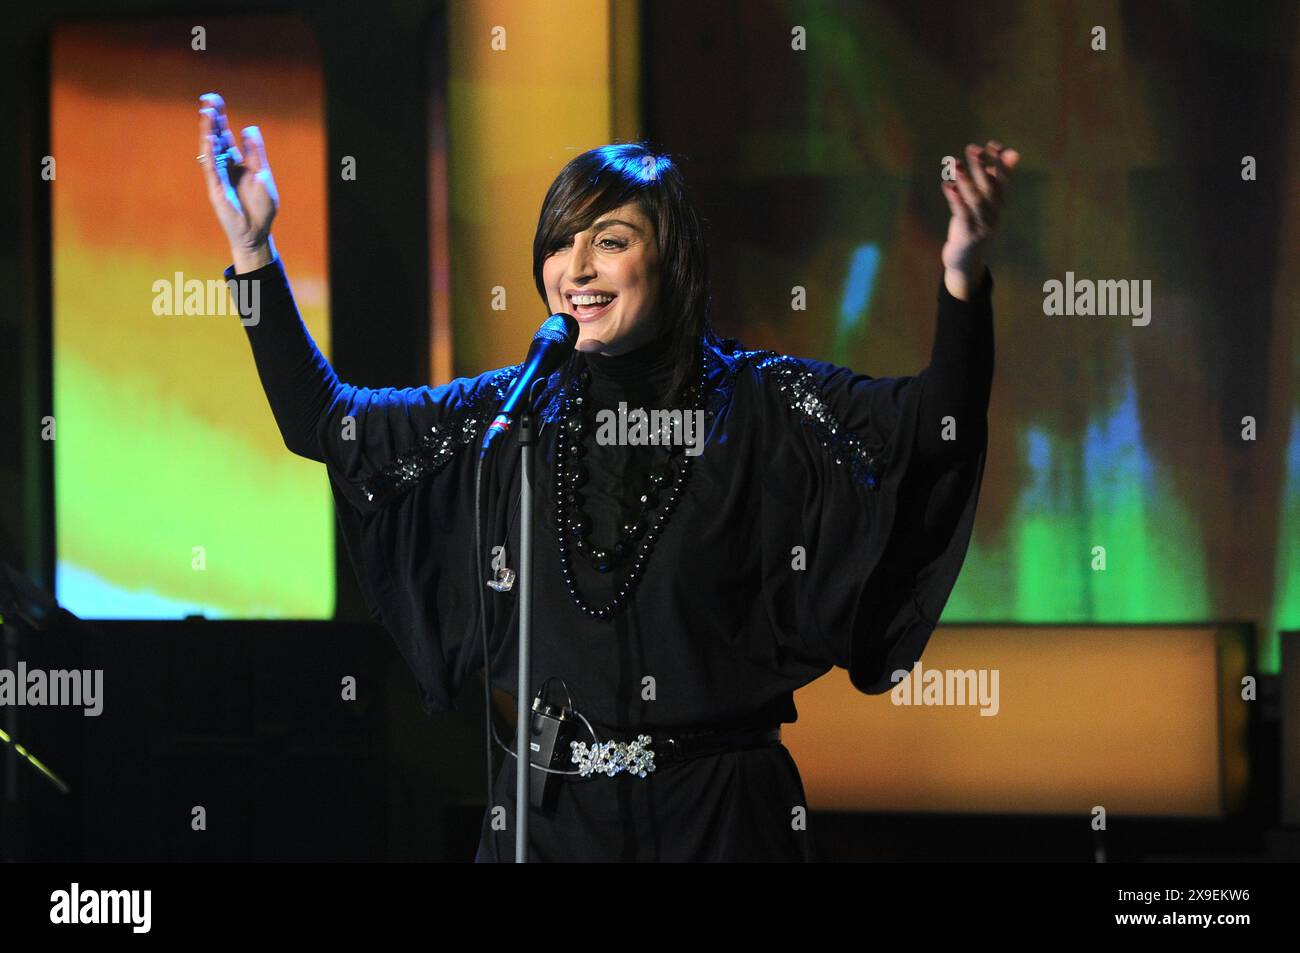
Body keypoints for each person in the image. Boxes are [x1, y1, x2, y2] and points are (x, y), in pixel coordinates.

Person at [198, 91, 1016, 862]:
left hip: (716, 822)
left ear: (672, 259)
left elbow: (937, 422)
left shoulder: (763, 404)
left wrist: (962, 275)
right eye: (560, 242)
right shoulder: (513, 411)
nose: (576, 267)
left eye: (610, 241)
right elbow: (325, 423)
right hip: (550, 823)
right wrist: (252, 252)